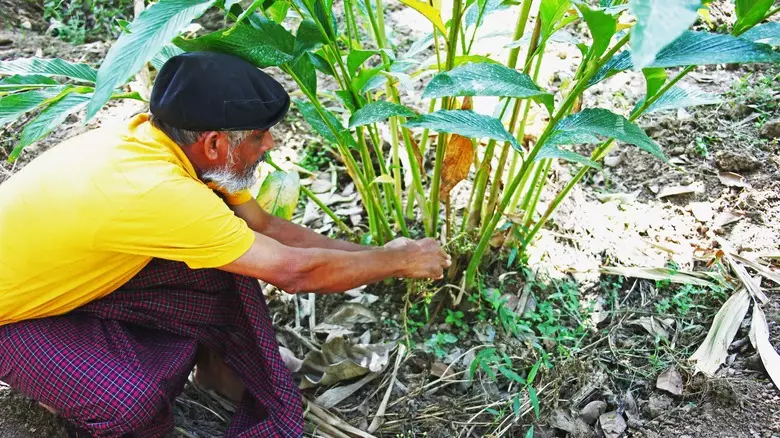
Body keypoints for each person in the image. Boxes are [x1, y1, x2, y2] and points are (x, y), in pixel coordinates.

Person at [0, 51, 450, 438]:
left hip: (52, 281)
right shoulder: (159, 191)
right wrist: (400, 262)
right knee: (129, 401)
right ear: (215, 142)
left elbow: (269, 230)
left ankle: (216, 374)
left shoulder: (169, 145)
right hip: (8, 317)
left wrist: (383, 256)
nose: (270, 144)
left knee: (230, 259)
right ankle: (61, 397)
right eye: (259, 135)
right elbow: (294, 272)